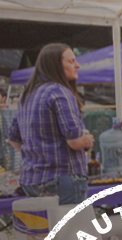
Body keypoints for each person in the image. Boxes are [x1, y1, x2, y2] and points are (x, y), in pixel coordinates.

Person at [7, 43, 93, 204]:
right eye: (71, 61)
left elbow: (13, 138)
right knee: (71, 222)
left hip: (32, 181)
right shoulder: (60, 92)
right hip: (63, 178)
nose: (77, 65)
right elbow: (75, 142)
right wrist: (87, 140)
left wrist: (38, 153)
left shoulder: (27, 95)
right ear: (56, 65)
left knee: (47, 221)